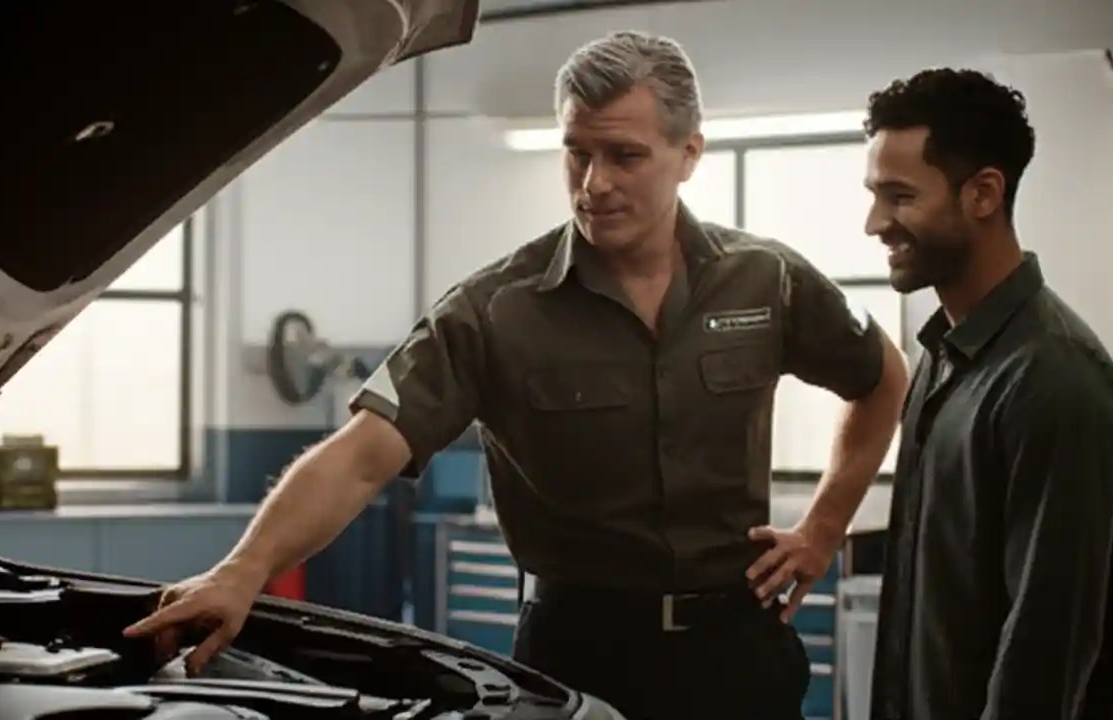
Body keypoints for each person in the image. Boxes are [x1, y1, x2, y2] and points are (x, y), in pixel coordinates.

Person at [124, 31, 908, 719]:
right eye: (578, 151)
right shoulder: (493, 310)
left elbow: (882, 379)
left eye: (625, 155)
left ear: (689, 153)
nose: (594, 182)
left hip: (738, 652)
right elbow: (363, 454)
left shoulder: (766, 280)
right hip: (577, 656)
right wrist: (244, 570)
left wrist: (824, 528)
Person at [861, 68, 1113, 720]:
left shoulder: (1056, 383)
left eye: (899, 197)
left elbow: (1044, 659)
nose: (875, 223)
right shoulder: (940, 359)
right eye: (875, 195)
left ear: (984, 193)